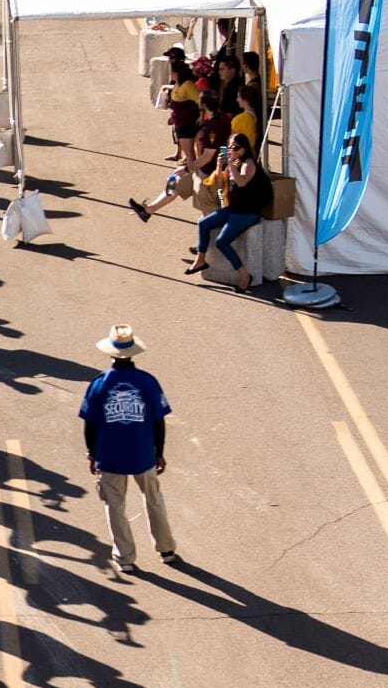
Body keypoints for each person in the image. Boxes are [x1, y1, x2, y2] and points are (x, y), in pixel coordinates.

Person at [81, 325, 178, 580]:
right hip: (143, 453)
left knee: (115, 506)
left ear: (110, 353)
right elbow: (158, 421)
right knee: (153, 499)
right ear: (133, 352)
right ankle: (166, 548)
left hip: (110, 456)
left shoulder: (99, 384)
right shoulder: (147, 381)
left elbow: (90, 424)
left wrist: (92, 454)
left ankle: (125, 557)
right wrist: (159, 452)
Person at [189, 131, 271, 288]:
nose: (232, 150)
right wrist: (220, 166)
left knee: (222, 242)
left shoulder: (248, 164)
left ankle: (244, 275)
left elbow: (241, 182)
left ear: (244, 148)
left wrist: (231, 166)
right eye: (229, 147)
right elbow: (220, 186)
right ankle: (200, 260)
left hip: (248, 212)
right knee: (203, 224)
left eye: (236, 147)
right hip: (234, 208)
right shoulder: (232, 163)